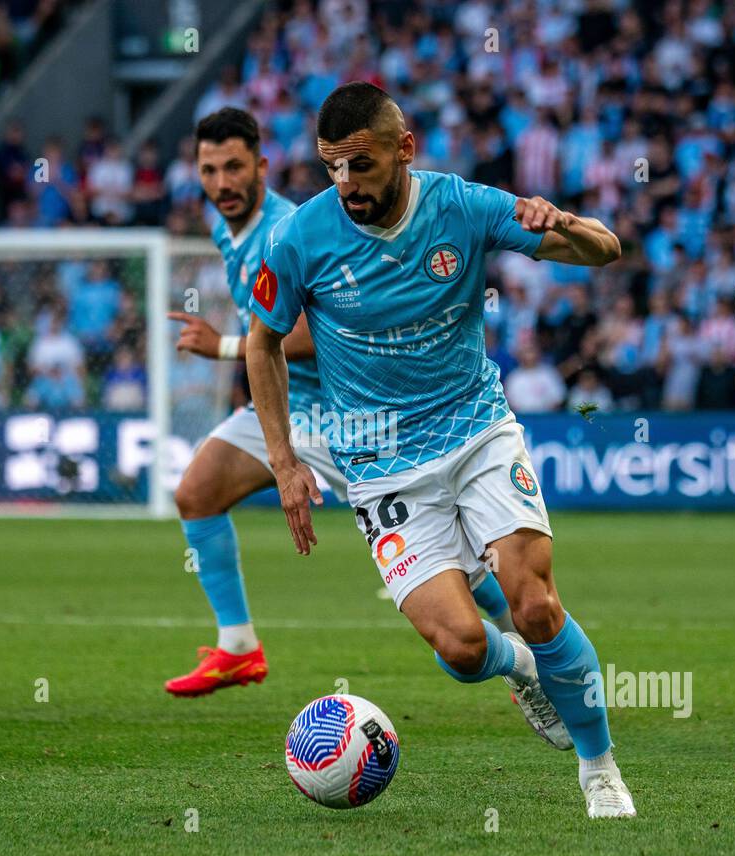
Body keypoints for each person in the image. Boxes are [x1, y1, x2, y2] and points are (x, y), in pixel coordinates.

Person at [246, 83, 634, 818]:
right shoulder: (302, 236)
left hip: (476, 430)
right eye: (332, 168)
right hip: (379, 461)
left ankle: (599, 768)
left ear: (404, 149)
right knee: (460, 647)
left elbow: (604, 251)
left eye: (359, 166)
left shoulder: (463, 205)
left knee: (536, 604)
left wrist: (566, 222)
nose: (345, 185)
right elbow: (260, 341)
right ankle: (523, 671)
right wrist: (285, 463)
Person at [165, 107, 519, 697]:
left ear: (262, 166)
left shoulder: (288, 228)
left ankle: (517, 639)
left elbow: (298, 335)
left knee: (457, 559)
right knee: (196, 491)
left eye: (233, 167)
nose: (222, 183)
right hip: (289, 411)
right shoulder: (229, 232)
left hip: (351, 411)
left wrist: (223, 345)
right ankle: (238, 647)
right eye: (208, 170)